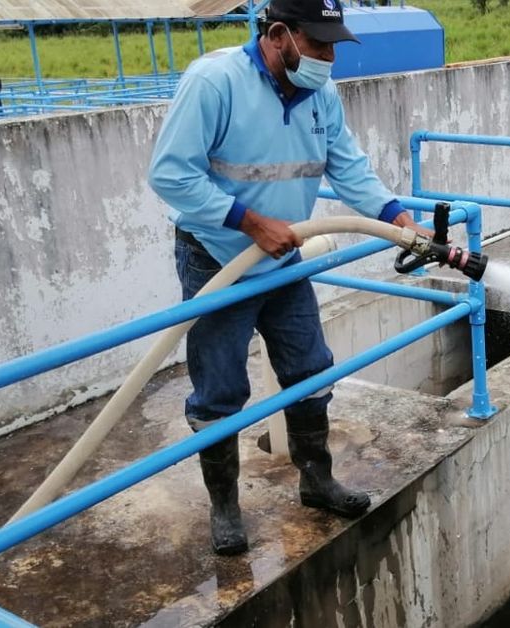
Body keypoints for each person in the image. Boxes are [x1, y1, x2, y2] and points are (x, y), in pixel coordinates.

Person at [147, 0, 430, 556]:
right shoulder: (214, 83)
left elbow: (347, 165)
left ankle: (317, 480)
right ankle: (225, 505)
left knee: (309, 369)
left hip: (283, 259)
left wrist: (395, 216)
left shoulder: (320, 93)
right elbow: (169, 173)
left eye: (333, 47)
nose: (328, 58)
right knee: (221, 388)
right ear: (279, 34)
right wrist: (249, 222)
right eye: (318, 45)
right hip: (218, 257)